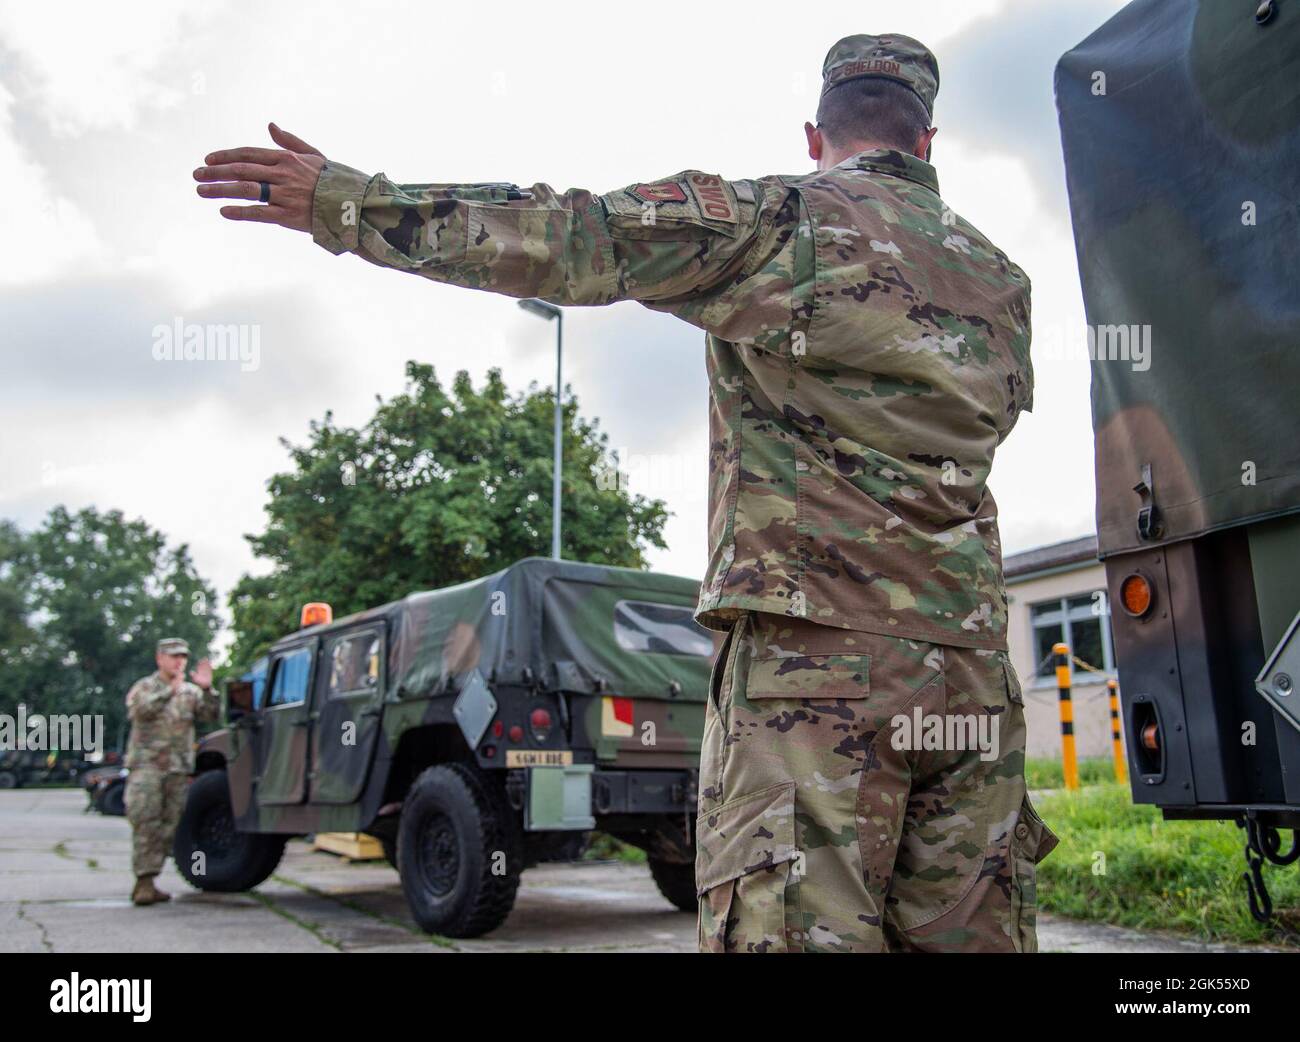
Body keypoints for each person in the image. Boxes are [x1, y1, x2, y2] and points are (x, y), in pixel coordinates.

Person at [193, 32, 1056, 951]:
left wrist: (346, 201)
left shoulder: (782, 220)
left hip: (815, 667)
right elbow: (992, 427)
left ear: (815, 136)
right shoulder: (1003, 282)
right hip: (969, 674)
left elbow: (570, 237)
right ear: (928, 142)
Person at [124, 637, 220, 906]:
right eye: (173, 656)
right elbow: (141, 712)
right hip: (147, 767)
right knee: (146, 823)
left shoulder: (191, 693)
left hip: (178, 768)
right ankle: (143, 882)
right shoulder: (144, 687)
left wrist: (208, 689)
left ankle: (151, 879)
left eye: (183, 657)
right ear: (160, 659)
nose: (179, 662)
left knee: (170, 826)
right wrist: (170, 690)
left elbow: (211, 716)